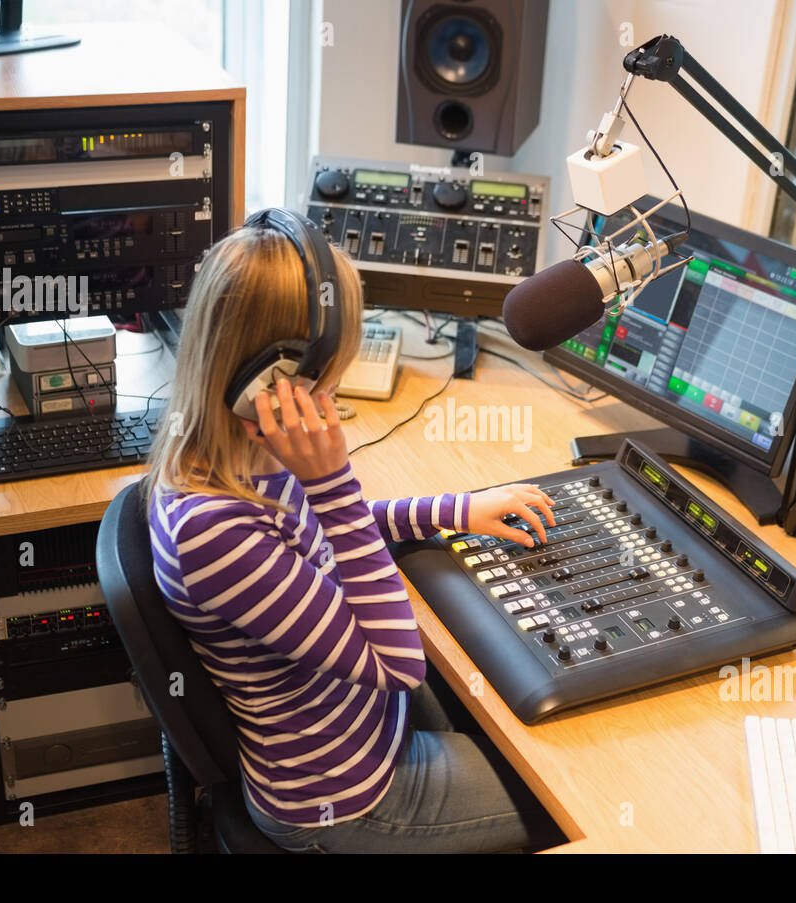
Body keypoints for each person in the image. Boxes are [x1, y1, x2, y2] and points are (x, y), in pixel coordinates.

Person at [144, 221, 562, 853]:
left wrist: (455, 508)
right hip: (345, 797)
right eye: (332, 370)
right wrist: (330, 479)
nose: (337, 385)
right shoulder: (212, 533)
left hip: (368, 724)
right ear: (273, 378)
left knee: (529, 716)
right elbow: (399, 665)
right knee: (567, 798)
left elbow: (334, 530)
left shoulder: (237, 455)